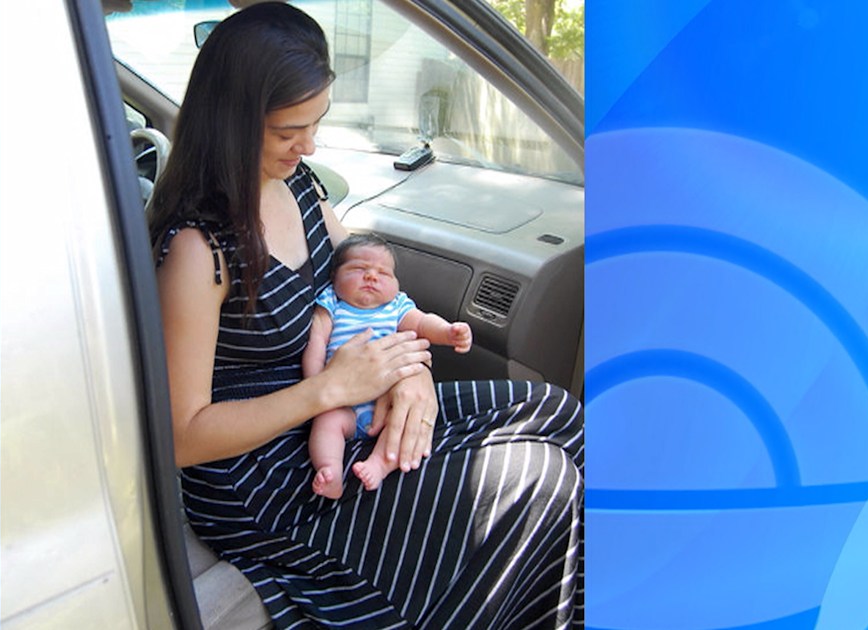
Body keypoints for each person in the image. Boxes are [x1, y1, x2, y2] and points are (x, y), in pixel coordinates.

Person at [148, 2, 583, 627]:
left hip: (338, 401)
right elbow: (183, 437)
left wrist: (411, 374)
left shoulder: (298, 186)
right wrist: (328, 387)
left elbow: (367, 290)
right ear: (233, 124)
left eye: (316, 122)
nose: (309, 145)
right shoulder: (199, 248)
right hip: (264, 469)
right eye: (286, 131)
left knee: (559, 413)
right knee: (537, 477)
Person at [305, 232, 473, 499]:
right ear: (334, 278)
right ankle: (330, 469)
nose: (372, 276)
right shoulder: (331, 304)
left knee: (404, 421)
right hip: (341, 401)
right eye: (359, 269)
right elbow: (315, 343)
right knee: (327, 423)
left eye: (384, 273)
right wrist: (315, 386)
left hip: (388, 397)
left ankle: (380, 463)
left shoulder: (395, 306)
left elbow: (421, 323)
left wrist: (448, 331)